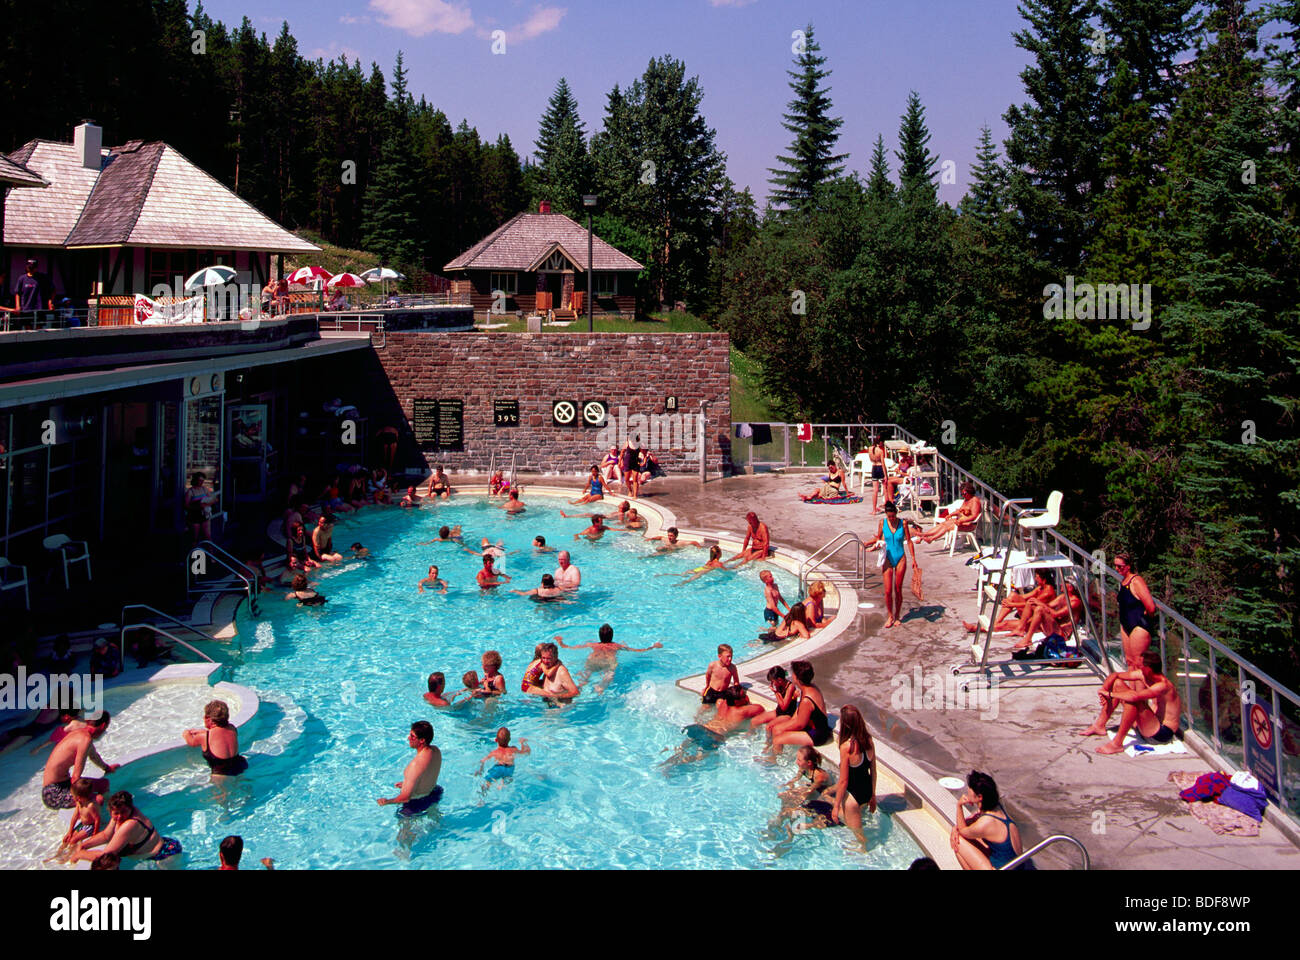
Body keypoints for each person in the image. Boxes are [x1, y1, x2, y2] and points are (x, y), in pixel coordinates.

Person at [1080, 648, 1182, 754]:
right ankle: (1099, 726)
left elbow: (1134, 697)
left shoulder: (1163, 686)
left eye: (1139, 666)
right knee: (1118, 683)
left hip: (1161, 733)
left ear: (1148, 669)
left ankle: (1117, 744)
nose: (1137, 668)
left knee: (1132, 700)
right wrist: (1103, 690)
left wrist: (1109, 694)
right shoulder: (1144, 675)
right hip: (1151, 724)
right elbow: (1115, 675)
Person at [70, 790, 183, 865]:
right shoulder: (120, 815)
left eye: (123, 811)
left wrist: (80, 854)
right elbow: (106, 835)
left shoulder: (130, 824)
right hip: (160, 848)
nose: (119, 816)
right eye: (116, 813)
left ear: (130, 808)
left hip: (165, 855)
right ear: (110, 811)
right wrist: (83, 845)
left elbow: (106, 856)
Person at [951, 771, 1030, 870]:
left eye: (969, 789)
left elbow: (963, 831)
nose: (967, 791)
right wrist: (957, 827)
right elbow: (973, 818)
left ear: (980, 797)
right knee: (971, 837)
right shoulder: (997, 807)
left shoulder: (986, 823)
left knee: (958, 841)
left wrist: (959, 806)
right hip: (1017, 866)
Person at [557, 623, 662, 693]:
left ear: (599, 635)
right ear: (612, 635)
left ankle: (580, 685)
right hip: (608, 661)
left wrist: (560, 642)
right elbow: (638, 650)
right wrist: (653, 647)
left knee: (587, 673)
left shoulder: (592, 644)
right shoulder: (616, 646)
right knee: (609, 674)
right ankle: (600, 687)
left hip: (594, 660)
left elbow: (570, 647)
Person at [42, 713, 116, 809]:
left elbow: (93, 756)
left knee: (104, 784)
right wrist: (85, 799)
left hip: (63, 784)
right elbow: (75, 778)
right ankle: (106, 813)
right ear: (103, 726)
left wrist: (107, 768)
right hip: (53, 793)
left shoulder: (81, 733)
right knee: (98, 800)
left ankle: (109, 809)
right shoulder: (85, 740)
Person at [867, 501, 922, 629]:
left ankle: (897, 615)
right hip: (887, 557)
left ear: (896, 514)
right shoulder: (882, 523)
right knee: (887, 591)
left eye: (893, 516)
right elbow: (879, 538)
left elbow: (909, 541)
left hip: (900, 557)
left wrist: (913, 559)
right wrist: (875, 545)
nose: (891, 519)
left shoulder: (903, 523)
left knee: (898, 589)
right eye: (889, 516)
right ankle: (890, 615)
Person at [829, 705, 877, 841]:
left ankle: (865, 851)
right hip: (867, 791)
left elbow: (843, 781)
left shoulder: (847, 747)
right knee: (854, 824)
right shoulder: (869, 740)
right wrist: (873, 795)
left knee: (859, 837)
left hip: (853, 797)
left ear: (846, 724)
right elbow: (873, 771)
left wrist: (836, 806)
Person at [377, 721, 443, 816]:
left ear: (422, 740)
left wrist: (387, 801)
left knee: (402, 821)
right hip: (435, 793)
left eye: (412, 736)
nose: (408, 738)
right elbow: (427, 773)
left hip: (416, 804)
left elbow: (405, 798)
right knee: (435, 821)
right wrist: (409, 783)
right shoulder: (435, 750)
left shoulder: (415, 765)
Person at [766, 660, 832, 755]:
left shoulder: (807, 700)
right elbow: (798, 713)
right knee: (777, 729)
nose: (791, 675)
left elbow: (800, 725)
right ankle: (776, 752)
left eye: (793, 674)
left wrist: (783, 728)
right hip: (816, 727)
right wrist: (784, 725)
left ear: (797, 678)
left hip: (818, 735)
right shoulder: (810, 687)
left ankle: (774, 760)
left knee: (777, 739)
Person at [963, 569, 1056, 634]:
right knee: (1012, 595)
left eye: (1037, 577)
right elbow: (1025, 597)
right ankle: (996, 622)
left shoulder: (1047, 592)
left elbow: (1030, 603)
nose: (1035, 579)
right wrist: (1008, 601)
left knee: (1006, 624)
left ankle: (977, 628)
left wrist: (1012, 604)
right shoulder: (1040, 588)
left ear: (1043, 579)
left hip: (1038, 622)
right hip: (1031, 614)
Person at [1010, 582, 1084, 651]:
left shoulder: (1075, 602)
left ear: (1070, 588)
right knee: (1031, 602)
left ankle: (1028, 639)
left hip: (1062, 634)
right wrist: (1037, 602)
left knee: (1039, 609)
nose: (1061, 584)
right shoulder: (1062, 597)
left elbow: (1055, 614)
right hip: (1055, 627)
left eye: (1065, 583)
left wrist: (1040, 604)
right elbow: (1049, 605)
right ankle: (1020, 628)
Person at [182, 700, 248, 776]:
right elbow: (220, 736)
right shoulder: (232, 728)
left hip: (221, 772)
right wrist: (204, 732)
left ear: (208, 719)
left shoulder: (205, 736)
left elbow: (192, 742)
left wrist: (186, 733)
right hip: (240, 765)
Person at [1113, 552, 1156, 669]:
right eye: (1115, 566)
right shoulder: (1123, 581)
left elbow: (1151, 607)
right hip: (1126, 625)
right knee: (1130, 662)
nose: (1117, 569)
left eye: (1120, 566)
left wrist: (1145, 618)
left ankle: (1141, 683)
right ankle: (1132, 682)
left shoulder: (1136, 581)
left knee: (1139, 662)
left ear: (1128, 566)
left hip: (1138, 626)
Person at [58, 778, 104, 854]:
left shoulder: (90, 806)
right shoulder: (79, 803)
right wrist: (70, 832)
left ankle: (68, 855)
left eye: (73, 796)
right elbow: (75, 817)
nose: (72, 797)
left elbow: (97, 819)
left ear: (78, 797)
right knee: (67, 839)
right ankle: (58, 854)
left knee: (73, 840)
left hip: (90, 827)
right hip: (82, 825)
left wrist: (95, 833)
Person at [749, 665, 801, 731]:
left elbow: (784, 707)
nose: (772, 684)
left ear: (779, 680)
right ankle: (750, 735)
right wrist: (777, 691)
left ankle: (769, 738)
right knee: (754, 721)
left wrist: (776, 692)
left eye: (772, 681)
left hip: (787, 715)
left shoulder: (790, 687)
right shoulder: (778, 685)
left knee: (769, 727)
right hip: (778, 712)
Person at [184, 472, 216, 546]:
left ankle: (210, 552)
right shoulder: (190, 491)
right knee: (195, 537)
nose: (201, 482)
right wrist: (197, 506)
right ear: (195, 480)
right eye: (200, 480)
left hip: (204, 515)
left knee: (208, 536)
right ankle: (195, 552)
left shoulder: (204, 489)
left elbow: (213, 499)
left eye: (202, 481)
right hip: (194, 516)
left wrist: (206, 504)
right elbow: (186, 505)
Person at [867, 437, 887, 513]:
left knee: (875, 490)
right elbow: (883, 463)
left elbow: (870, 459)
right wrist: (885, 475)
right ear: (880, 442)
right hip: (880, 467)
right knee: (885, 488)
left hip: (874, 468)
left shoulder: (869, 449)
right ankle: (886, 506)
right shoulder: (880, 451)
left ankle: (874, 510)